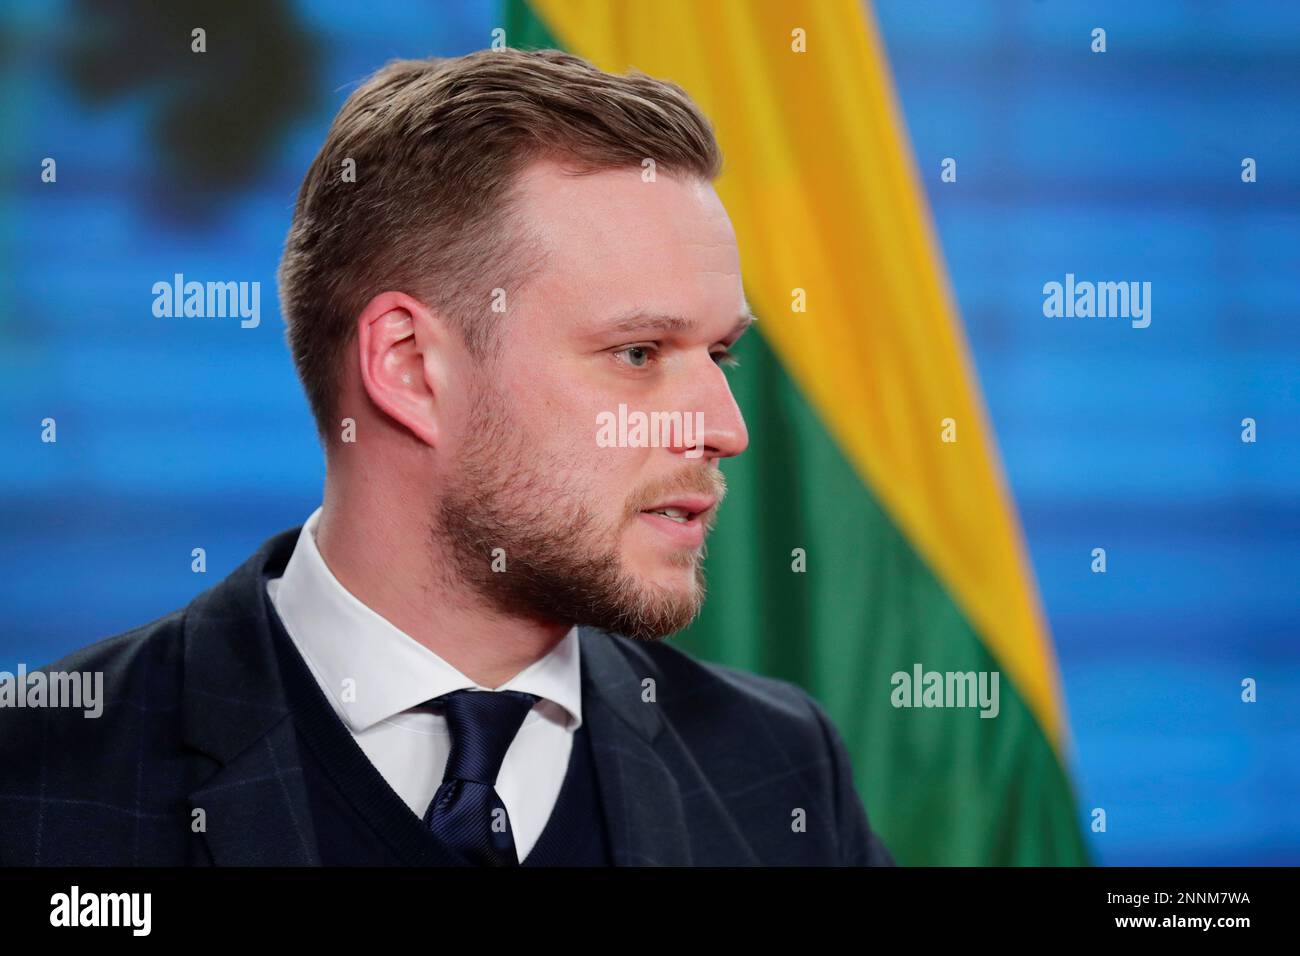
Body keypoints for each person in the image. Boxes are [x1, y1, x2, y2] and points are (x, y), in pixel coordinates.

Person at [0, 47, 893, 867]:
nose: (724, 427)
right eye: (640, 353)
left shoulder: (780, 771)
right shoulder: (39, 780)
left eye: (720, 355)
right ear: (410, 367)